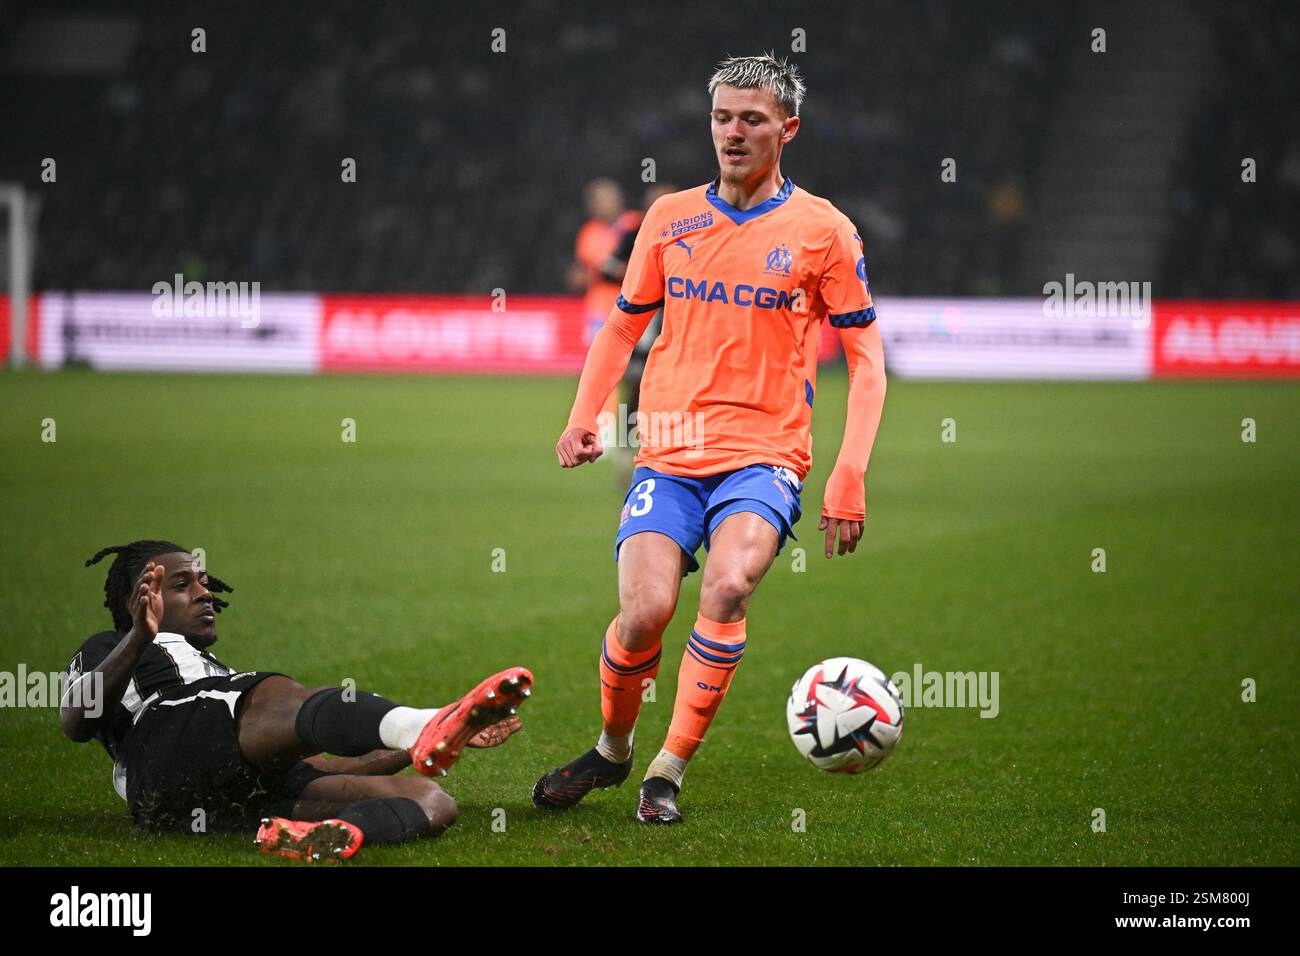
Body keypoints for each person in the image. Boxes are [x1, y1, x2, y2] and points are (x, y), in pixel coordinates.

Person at [534, 54, 887, 824]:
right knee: (645, 612)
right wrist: (582, 415)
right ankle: (613, 751)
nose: (733, 131)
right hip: (668, 445)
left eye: (752, 119)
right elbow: (622, 326)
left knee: (727, 587)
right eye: (723, 116)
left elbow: (866, 361)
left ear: (787, 129)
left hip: (765, 453)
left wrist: (848, 472)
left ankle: (667, 769)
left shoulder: (824, 232)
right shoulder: (670, 217)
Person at [61, 540, 532, 861]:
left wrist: (414, 750)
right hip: (159, 764)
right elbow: (76, 721)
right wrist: (137, 638)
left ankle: (328, 836)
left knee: (432, 800)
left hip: (219, 801)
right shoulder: (111, 647)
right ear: (137, 599)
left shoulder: (221, 684)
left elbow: (324, 770)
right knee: (274, 695)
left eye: (203, 581)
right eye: (182, 585)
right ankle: (424, 721)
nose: (204, 592)